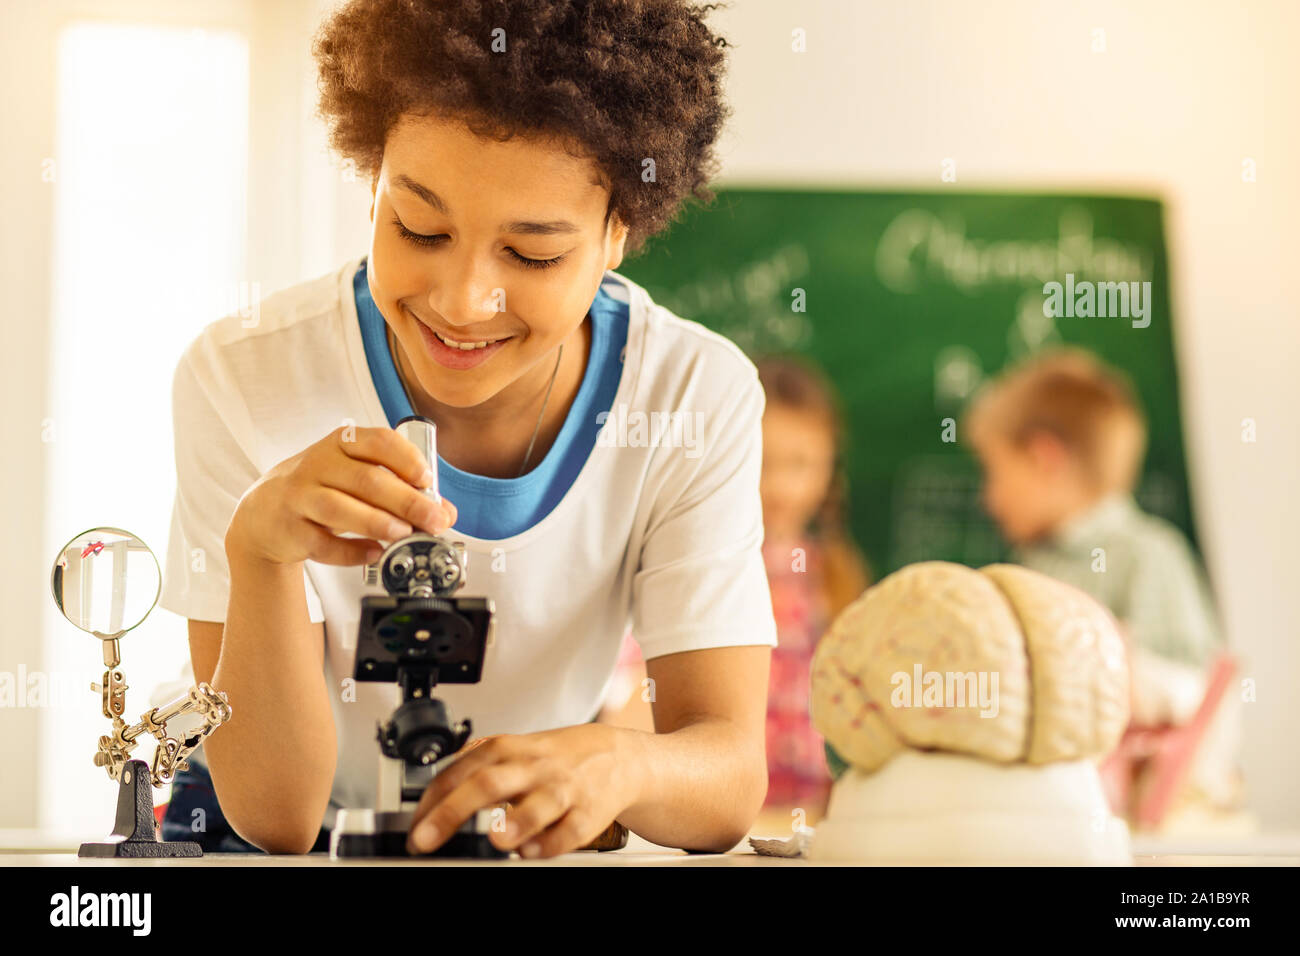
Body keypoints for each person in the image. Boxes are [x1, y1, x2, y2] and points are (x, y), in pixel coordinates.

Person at [159, 0, 777, 858]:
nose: (461, 302)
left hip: (510, 836)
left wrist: (621, 765)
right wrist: (259, 555)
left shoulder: (691, 395)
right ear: (370, 177)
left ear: (617, 235)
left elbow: (728, 778)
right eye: (417, 227)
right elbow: (276, 818)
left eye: (532, 255)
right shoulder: (243, 375)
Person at [962, 348, 1241, 813]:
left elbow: (1196, 694)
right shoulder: (1026, 565)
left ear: (1043, 456)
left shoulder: (1149, 555)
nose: (989, 499)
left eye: (994, 472)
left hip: (1128, 823)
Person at [600, 355, 870, 824]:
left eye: (802, 463)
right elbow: (635, 701)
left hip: (807, 821)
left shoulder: (836, 577)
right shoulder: (691, 561)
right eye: (765, 461)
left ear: (830, 467)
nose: (782, 485)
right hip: (706, 819)